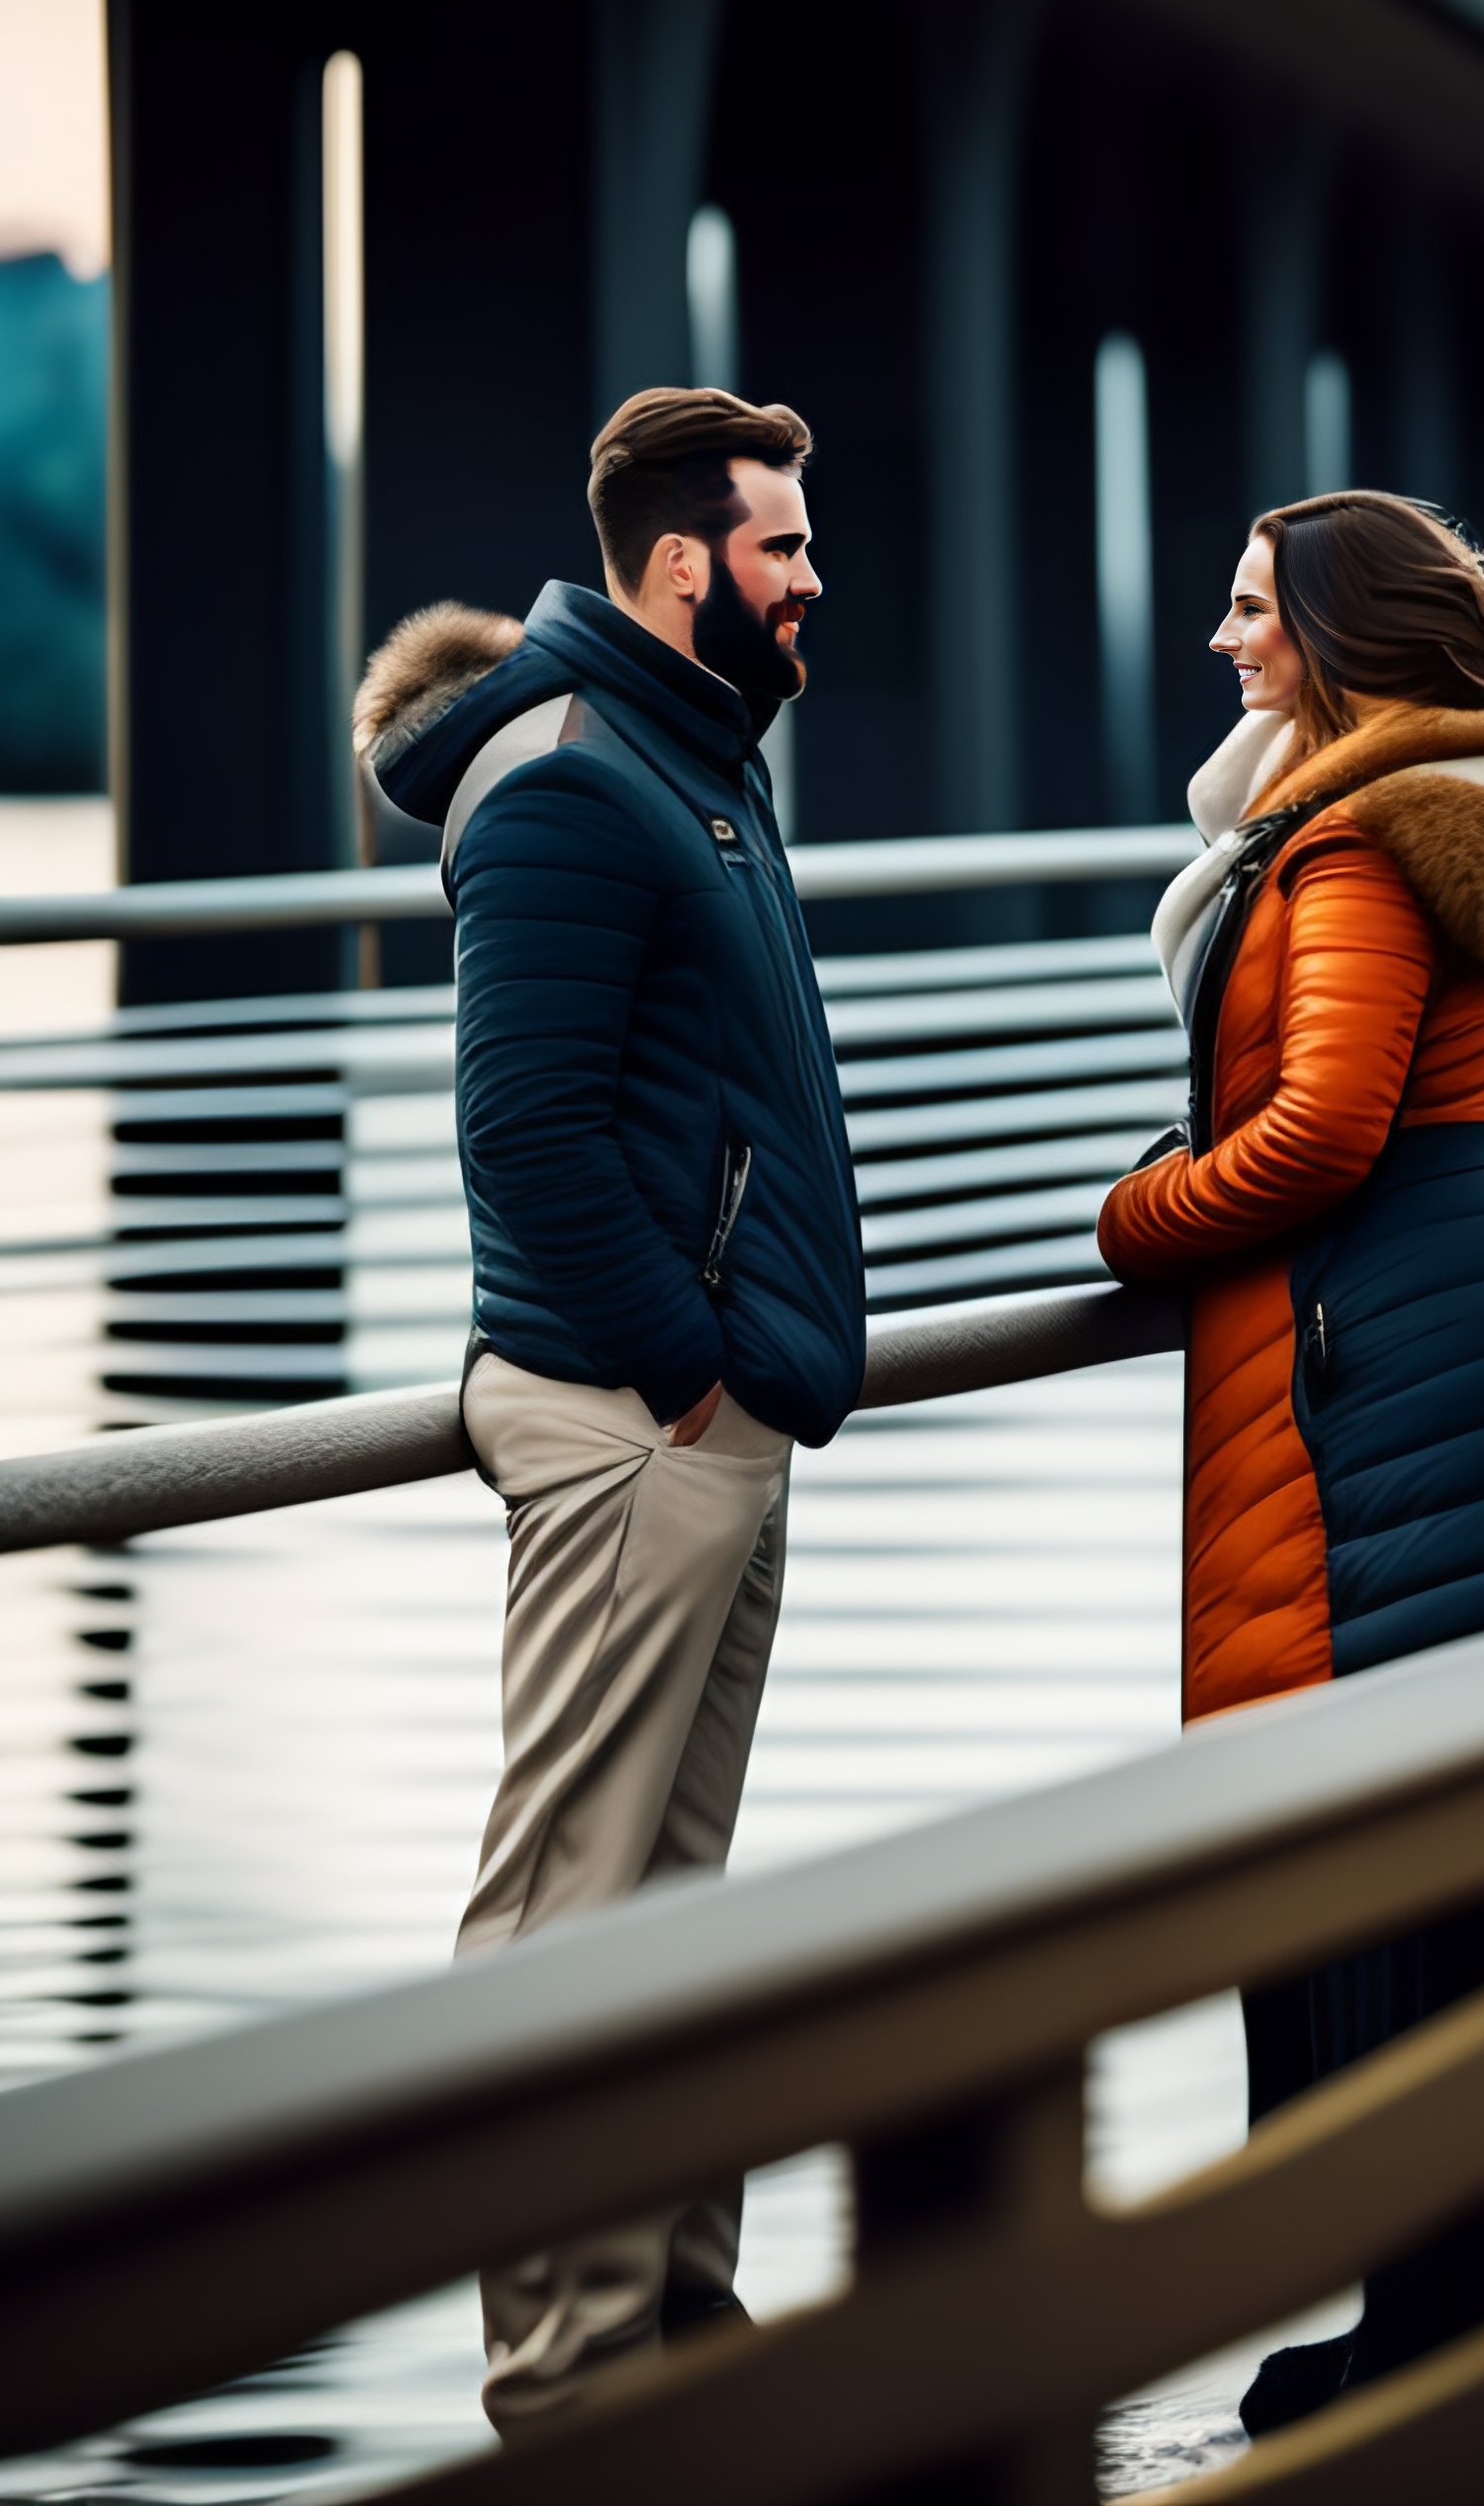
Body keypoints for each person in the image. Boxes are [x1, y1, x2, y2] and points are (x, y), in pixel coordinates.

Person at [1097, 488, 1484, 2435]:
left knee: (1380, 1826)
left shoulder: (1345, 851)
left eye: (1252, 608)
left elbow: (1317, 1137)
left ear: (1337, 636)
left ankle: (1416, 2327)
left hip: (1402, 1356)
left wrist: (1134, 1215)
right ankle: (1475, 2293)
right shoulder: (1457, 806)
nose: (1221, 637)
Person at [352, 386, 865, 2429]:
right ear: (681, 567)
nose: (815, 581)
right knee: (570, 1923)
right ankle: (564, 2407)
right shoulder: (572, 780)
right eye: (784, 548)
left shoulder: (693, 759)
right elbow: (526, 1132)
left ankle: (678, 2370)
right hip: (622, 1426)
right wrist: (680, 1370)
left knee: (670, 1926)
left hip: (708, 1428)